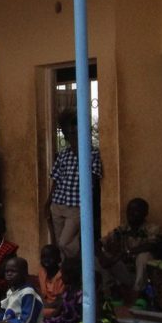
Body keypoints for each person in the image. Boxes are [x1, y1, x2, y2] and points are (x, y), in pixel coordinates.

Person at [45, 110, 103, 260]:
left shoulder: (93, 154)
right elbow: (56, 180)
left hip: (77, 206)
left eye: (75, 132)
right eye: (69, 133)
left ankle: (86, 260)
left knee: (65, 243)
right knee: (59, 244)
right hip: (58, 204)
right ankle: (67, 276)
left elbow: (94, 183)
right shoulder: (64, 154)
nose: (72, 136)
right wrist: (49, 202)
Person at [42, 259, 118, 323]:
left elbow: (94, 319)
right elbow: (58, 310)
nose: (61, 277)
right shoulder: (68, 291)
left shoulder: (98, 299)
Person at [98, 197, 161, 300]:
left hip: (145, 276)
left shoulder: (152, 228)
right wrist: (101, 257)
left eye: (136, 211)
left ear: (145, 213)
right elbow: (99, 243)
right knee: (97, 257)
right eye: (129, 210)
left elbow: (152, 245)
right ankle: (109, 291)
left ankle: (138, 292)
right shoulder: (122, 229)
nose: (131, 214)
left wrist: (126, 253)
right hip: (126, 272)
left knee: (144, 256)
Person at [38, 244, 65, 317]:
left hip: (58, 308)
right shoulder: (42, 273)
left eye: (50, 257)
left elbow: (62, 300)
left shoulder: (63, 275)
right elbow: (42, 294)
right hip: (45, 306)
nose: (46, 260)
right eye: (43, 257)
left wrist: (47, 306)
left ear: (58, 259)